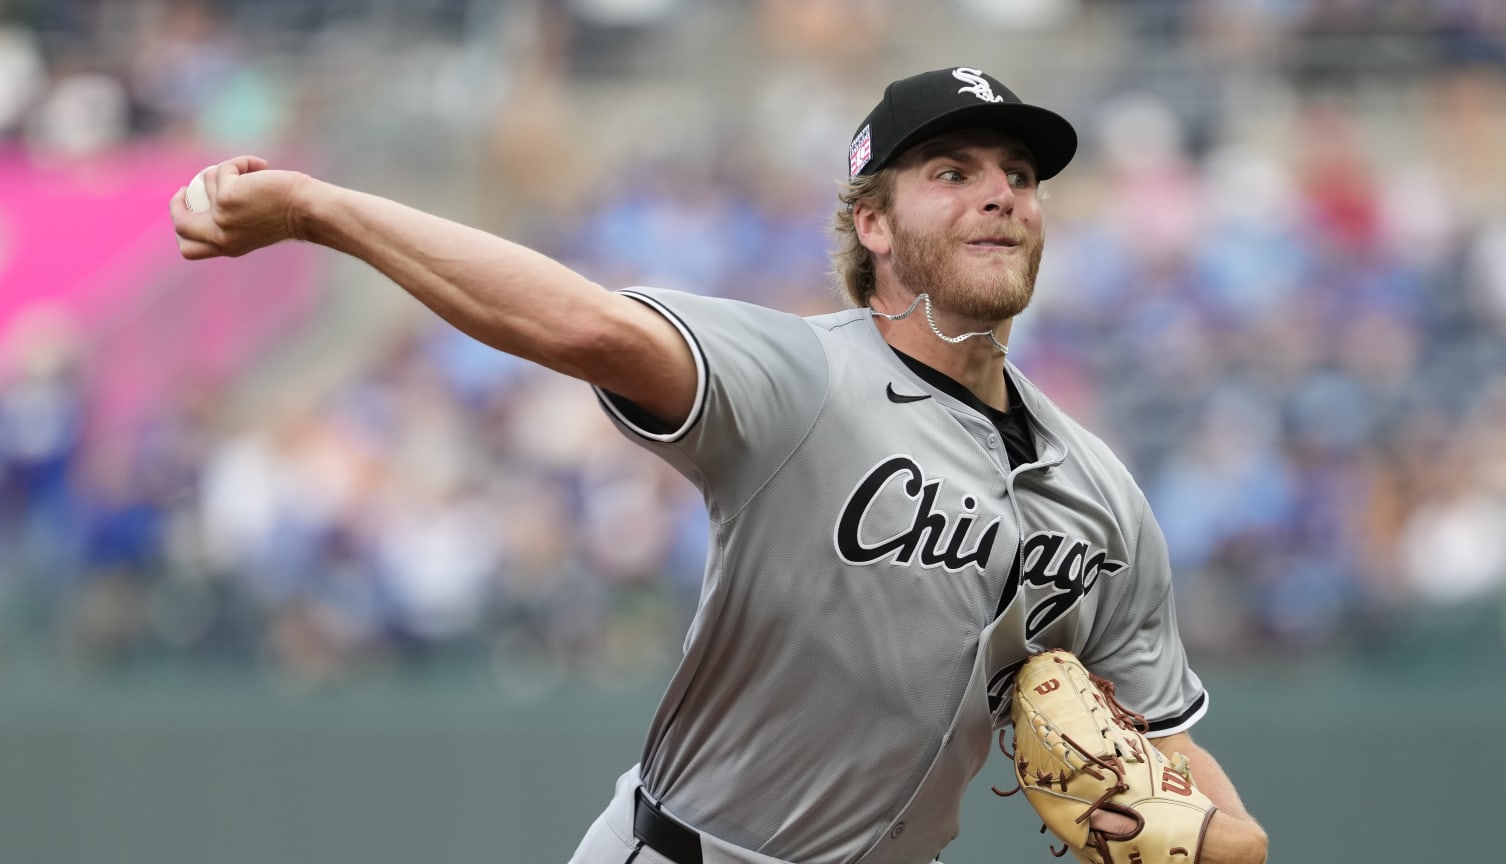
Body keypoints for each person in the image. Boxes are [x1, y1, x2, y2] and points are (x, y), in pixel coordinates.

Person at [171, 66, 1268, 864]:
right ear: (873, 225)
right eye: (952, 169)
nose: (1001, 193)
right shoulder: (799, 377)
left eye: (1020, 174)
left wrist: (1237, 837)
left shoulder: (1105, 499)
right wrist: (323, 210)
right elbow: (587, 327)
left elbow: (1162, 739)